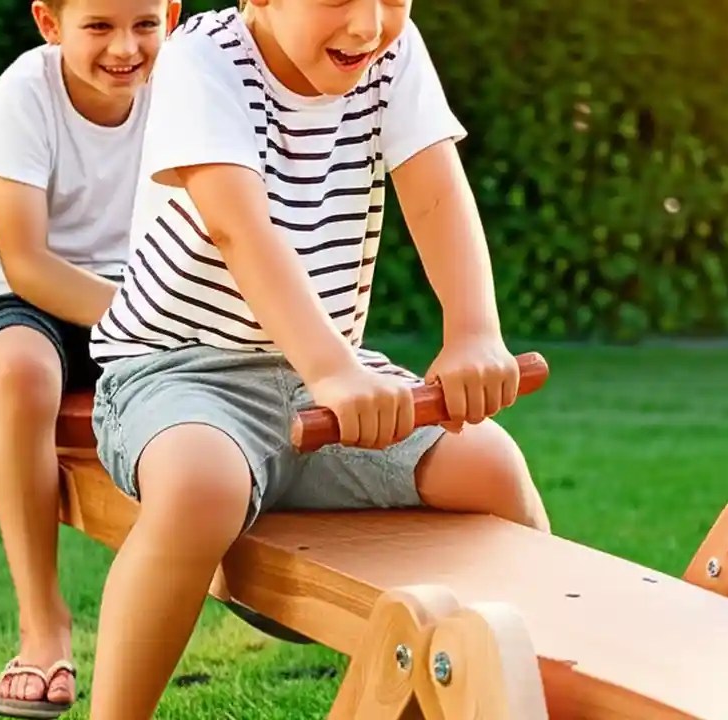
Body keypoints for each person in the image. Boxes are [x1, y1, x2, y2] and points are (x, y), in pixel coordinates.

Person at [83, 0, 552, 715]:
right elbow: (240, 229)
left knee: (491, 468)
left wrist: (473, 333)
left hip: (330, 376)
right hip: (178, 371)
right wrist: (332, 371)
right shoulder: (200, 59)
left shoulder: (391, 56)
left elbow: (434, 192)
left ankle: (534, 694)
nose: (367, 25)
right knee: (202, 486)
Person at [0, 0, 180, 716]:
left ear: (171, 15)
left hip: (139, 300)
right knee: (25, 370)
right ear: (50, 24)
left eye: (145, 24)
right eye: (99, 27)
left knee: (217, 387)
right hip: (23, 302)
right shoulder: (25, 93)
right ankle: (42, 625)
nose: (126, 47)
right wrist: (144, 316)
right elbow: (24, 262)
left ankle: (264, 570)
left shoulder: (186, 90)